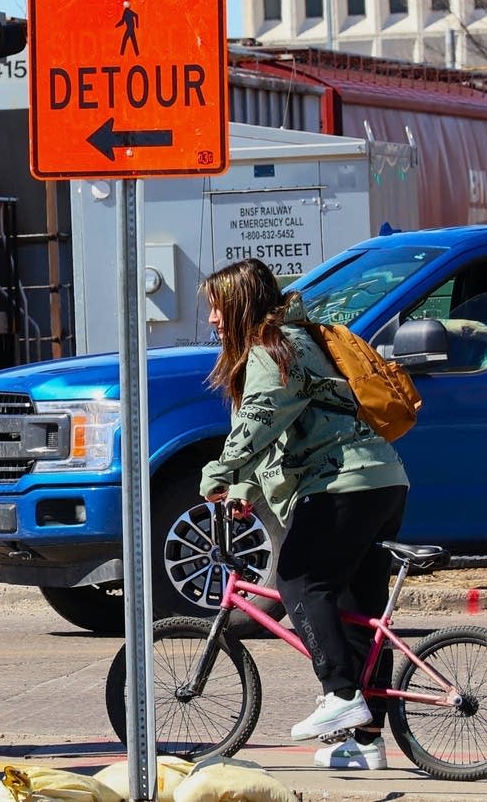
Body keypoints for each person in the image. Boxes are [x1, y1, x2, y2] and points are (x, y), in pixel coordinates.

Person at [199, 257, 410, 772]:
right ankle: (365, 741)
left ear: (241, 303)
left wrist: (218, 473)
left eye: (217, 307)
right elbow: (287, 429)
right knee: (356, 610)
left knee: (298, 580)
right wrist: (246, 486)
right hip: (383, 481)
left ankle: (339, 694)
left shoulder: (273, 352)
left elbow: (259, 421)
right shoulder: (298, 340)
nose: (212, 319)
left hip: (343, 486)